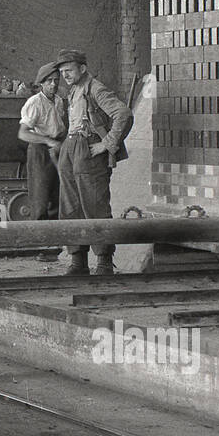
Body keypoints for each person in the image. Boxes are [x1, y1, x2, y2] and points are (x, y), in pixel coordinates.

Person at [54, 49, 134, 276]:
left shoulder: (95, 88)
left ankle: (104, 263)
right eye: (62, 72)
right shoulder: (74, 90)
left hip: (88, 152)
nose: (65, 75)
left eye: (69, 70)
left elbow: (123, 114)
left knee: (95, 206)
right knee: (70, 207)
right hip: (71, 149)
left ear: (82, 68)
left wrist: (107, 144)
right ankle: (78, 262)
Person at [18, 61, 65, 248]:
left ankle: (53, 245)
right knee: (40, 198)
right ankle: (39, 245)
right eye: (49, 81)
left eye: (56, 80)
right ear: (41, 83)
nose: (53, 84)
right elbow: (23, 133)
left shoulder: (59, 100)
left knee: (58, 195)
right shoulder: (34, 103)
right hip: (40, 152)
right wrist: (47, 141)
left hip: (57, 149)